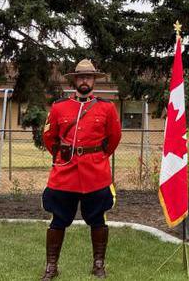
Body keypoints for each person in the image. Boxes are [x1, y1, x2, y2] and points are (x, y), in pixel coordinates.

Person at [40, 59, 122, 280]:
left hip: (95, 173)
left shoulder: (107, 107)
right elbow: (49, 138)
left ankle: (98, 265)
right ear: (74, 80)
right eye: (81, 77)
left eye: (89, 77)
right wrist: (63, 156)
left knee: (97, 220)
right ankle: (51, 266)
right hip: (65, 173)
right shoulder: (59, 107)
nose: (84, 80)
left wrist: (98, 156)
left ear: (94, 80)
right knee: (58, 219)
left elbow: (114, 138)